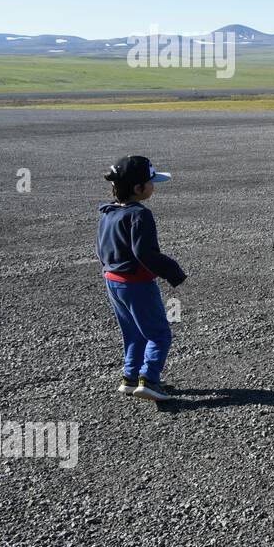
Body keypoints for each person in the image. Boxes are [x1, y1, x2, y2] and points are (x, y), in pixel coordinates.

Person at [97, 156, 187, 403]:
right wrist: (173, 271)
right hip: (136, 283)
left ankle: (130, 377)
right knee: (159, 334)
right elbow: (144, 253)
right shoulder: (140, 215)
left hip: (113, 281)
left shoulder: (108, 212)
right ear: (138, 189)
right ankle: (149, 380)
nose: (153, 187)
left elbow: (101, 248)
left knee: (133, 333)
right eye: (150, 183)